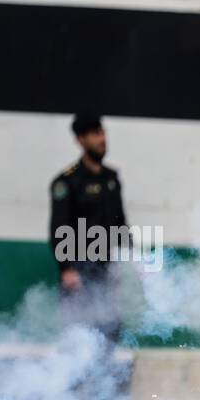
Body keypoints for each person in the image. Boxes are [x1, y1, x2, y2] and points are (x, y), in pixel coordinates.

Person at [49, 113, 126, 343]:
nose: (102, 139)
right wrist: (66, 269)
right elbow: (58, 227)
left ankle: (100, 380)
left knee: (110, 333)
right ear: (80, 140)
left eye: (102, 132)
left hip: (106, 271)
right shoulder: (67, 182)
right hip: (80, 273)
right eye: (95, 134)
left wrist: (132, 259)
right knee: (79, 339)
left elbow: (120, 223)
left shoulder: (111, 178)